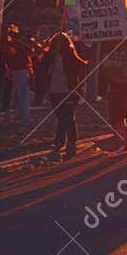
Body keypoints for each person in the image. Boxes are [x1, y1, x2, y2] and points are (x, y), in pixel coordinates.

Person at [38, 32, 89, 160]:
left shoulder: (70, 54)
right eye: (56, 41)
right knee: (61, 117)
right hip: (54, 91)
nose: (58, 44)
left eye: (61, 41)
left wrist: (79, 84)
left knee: (68, 116)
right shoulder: (50, 55)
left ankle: (71, 142)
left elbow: (82, 65)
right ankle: (60, 141)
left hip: (69, 91)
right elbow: (41, 68)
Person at [1, 25, 33, 126]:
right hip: (20, 70)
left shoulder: (13, 45)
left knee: (21, 95)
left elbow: (8, 58)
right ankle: (21, 116)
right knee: (19, 95)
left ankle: (24, 117)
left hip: (18, 70)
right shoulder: (18, 45)